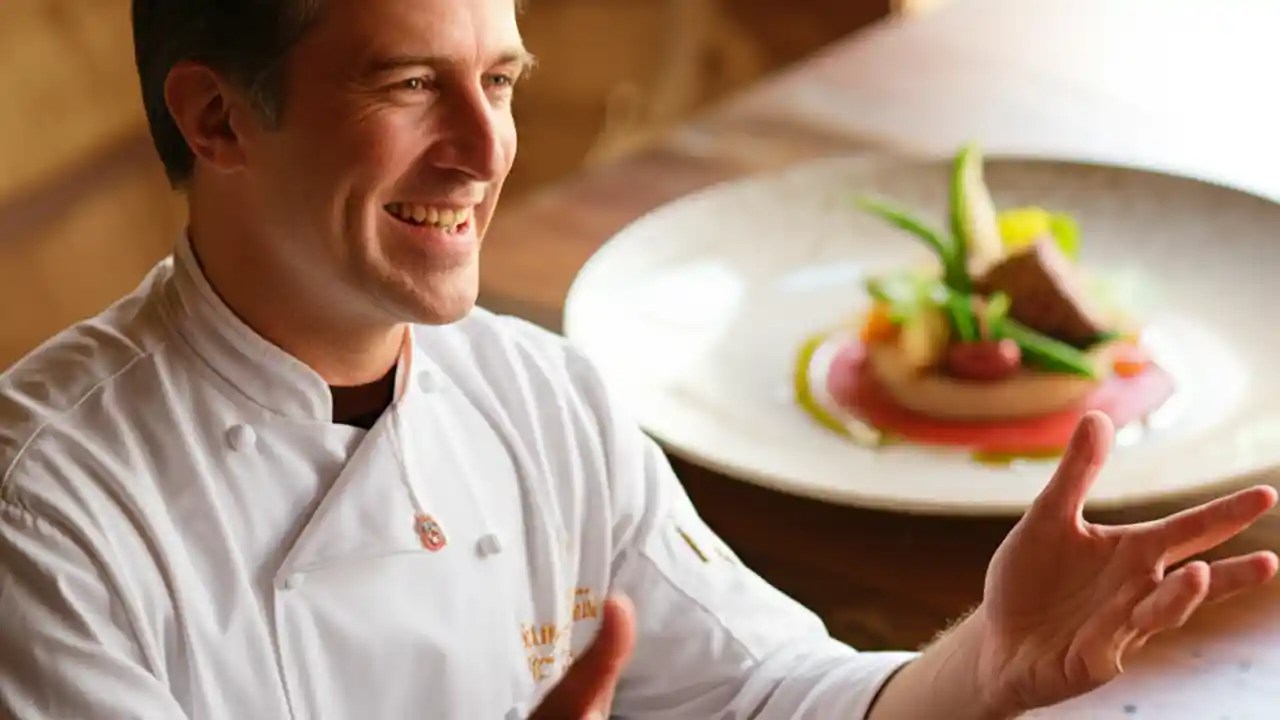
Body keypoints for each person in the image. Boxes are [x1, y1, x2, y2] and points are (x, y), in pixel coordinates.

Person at [0, 0, 1275, 717]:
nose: (484, 150)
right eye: (408, 87)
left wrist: (985, 659)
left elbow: (760, 693)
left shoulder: (537, 395)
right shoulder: (50, 508)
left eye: (499, 82)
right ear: (217, 117)